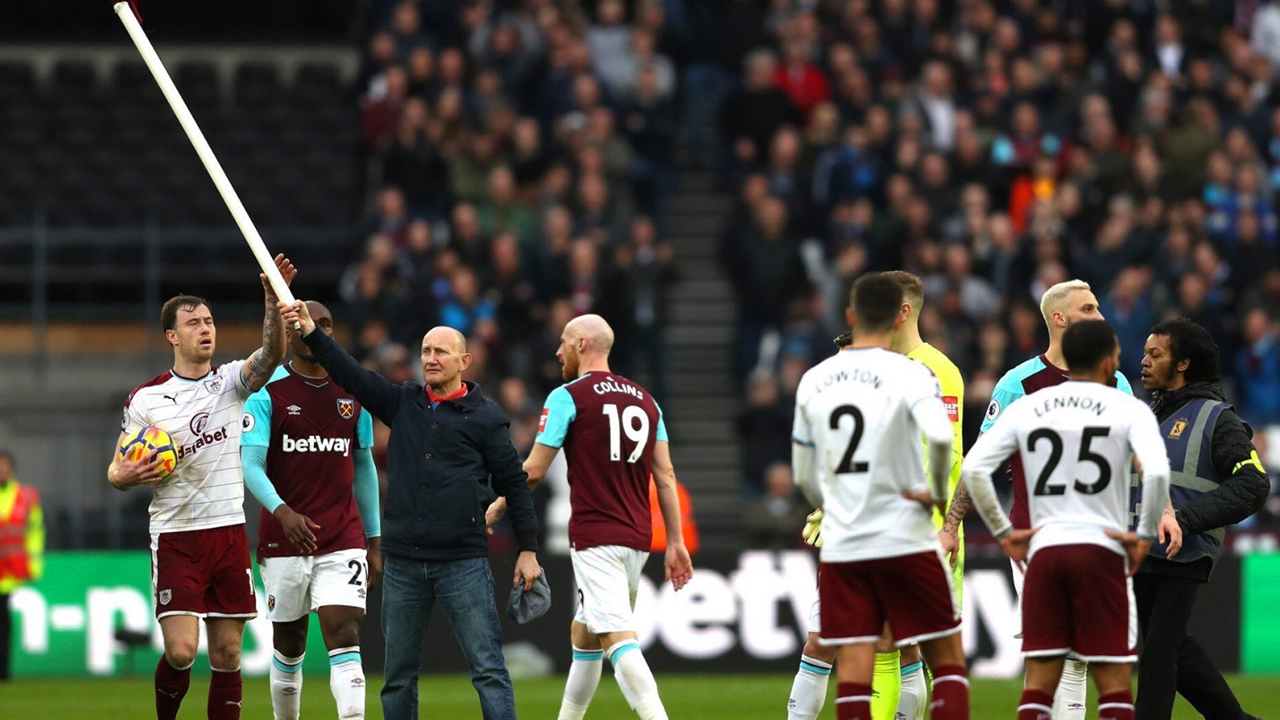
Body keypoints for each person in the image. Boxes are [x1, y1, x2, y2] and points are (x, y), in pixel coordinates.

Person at [278, 300, 540, 720]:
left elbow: (515, 485)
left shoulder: (487, 418)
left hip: (463, 560)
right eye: (425, 351)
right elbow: (351, 374)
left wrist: (527, 549)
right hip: (404, 562)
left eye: (441, 352)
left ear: (464, 361)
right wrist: (312, 332)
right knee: (398, 675)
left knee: (488, 670)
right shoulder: (403, 402)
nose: (430, 359)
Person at [107, 254, 296, 720]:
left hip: (227, 529)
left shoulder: (230, 381)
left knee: (229, 654)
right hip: (175, 535)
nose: (204, 328)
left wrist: (272, 302)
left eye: (209, 320)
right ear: (172, 335)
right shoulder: (146, 398)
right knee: (181, 652)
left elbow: (272, 355)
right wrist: (125, 475)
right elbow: (116, 469)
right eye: (192, 323)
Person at [942, 279, 1136, 720]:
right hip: (1038, 538)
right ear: (1060, 318)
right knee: (1056, 654)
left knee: (1079, 658)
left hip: (1100, 536)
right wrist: (952, 527)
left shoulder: (1116, 380)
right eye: (1089, 309)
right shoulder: (1019, 384)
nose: (1101, 317)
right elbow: (980, 462)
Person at [486, 313, 694, 720]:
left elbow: (534, 470)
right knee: (585, 634)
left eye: (564, 341)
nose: (558, 350)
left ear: (583, 344)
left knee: (617, 638)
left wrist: (499, 503)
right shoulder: (646, 400)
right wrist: (675, 541)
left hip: (596, 536)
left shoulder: (568, 396)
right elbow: (665, 474)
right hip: (637, 537)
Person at [962, 320, 1172, 720]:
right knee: (1112, 679)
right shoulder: (1128, 408)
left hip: (1044, 552)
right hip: (1102, 550)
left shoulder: (1027, 406)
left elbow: (974, 469)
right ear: (1109, 359)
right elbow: (1158, 473)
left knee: (1040, 678)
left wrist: (1004, 533)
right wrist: (1144, 535)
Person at [787, 271, 967, 720]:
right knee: (929, 651)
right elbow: (944, 443)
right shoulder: (911, 374)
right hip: (903, 528)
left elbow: (802, 466)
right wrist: (936, 500)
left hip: (848, 532)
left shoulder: (816, 378)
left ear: (852, 315)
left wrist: (826, 500)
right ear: (893, 317)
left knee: (861, 648)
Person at [239, 301, 382, 720]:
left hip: (342, 537)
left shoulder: (352, 390)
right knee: (289, 643)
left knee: (345, 631)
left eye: (326, 324)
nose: (317, 330)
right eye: (308, 323)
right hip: (284, 540)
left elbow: (363, 465)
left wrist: (373, 541)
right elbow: (250, 464)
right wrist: (283, 512)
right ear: (291, 330)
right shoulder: (267, 393)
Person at [1134, 319, 1267, 720]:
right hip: (1143, 547)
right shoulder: (1147, 414)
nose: (1144, 362)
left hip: (1185, 550)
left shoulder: (1217, 418)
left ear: (1183, 364)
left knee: (1158, 649)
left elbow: (1253, 484)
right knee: (1173, 645)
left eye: (1155, 355)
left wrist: (1187, 520)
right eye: (1144, 353)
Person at [0, 451, 43, 681]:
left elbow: (35, 531)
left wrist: (33, 563)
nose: (2, 471)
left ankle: (3, 670)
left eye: (5, 466)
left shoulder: (25, 496)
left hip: (8, 571)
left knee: (4, 622)